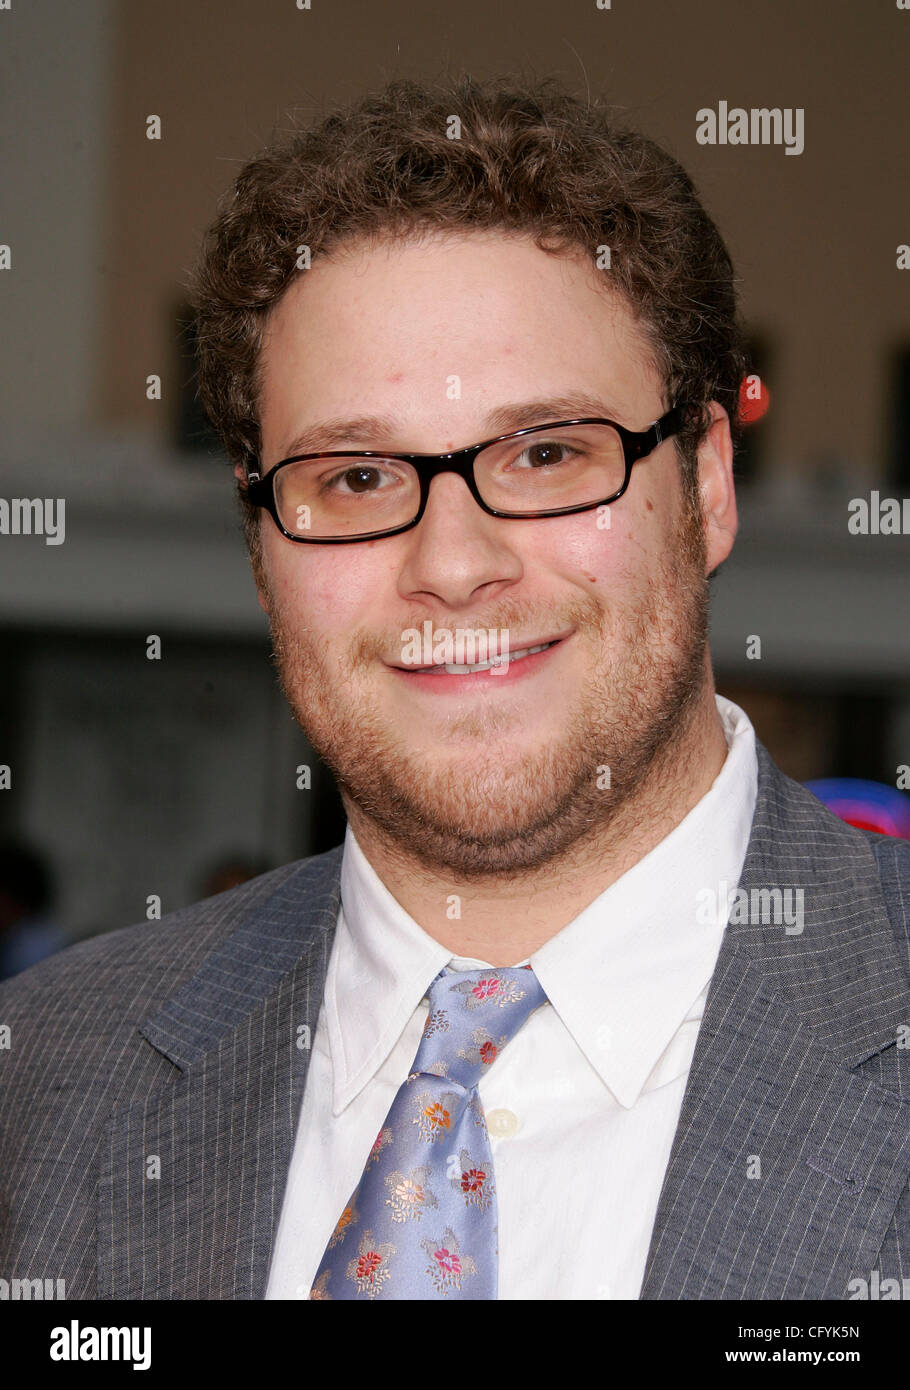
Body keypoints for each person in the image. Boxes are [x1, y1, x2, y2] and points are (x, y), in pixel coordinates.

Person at [1, 74, 908, 1302]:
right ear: (261, 541)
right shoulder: (43, 1083)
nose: (454, 564)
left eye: (545, 454)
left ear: (703, 483)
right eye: (358, 476)